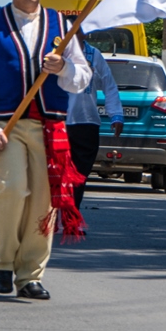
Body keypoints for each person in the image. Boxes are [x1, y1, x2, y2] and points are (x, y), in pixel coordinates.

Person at [0, 0, 92, 301]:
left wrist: (63, 67)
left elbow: (82, 78)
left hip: (50, 127)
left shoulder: (61, 26)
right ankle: (4, 263)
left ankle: (30, 275)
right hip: (8, 126)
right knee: (12, 190)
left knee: (43, 203)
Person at [66, 37, 123, 208]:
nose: (76, 35)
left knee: (79, 175)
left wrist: (116, 115)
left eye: (80, 30)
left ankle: (71, 216)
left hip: (86, 122)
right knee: (56, 173)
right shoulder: (56, 52)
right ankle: (53, 215)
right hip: (58, 122)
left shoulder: (93, 55)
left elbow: (109, 84)